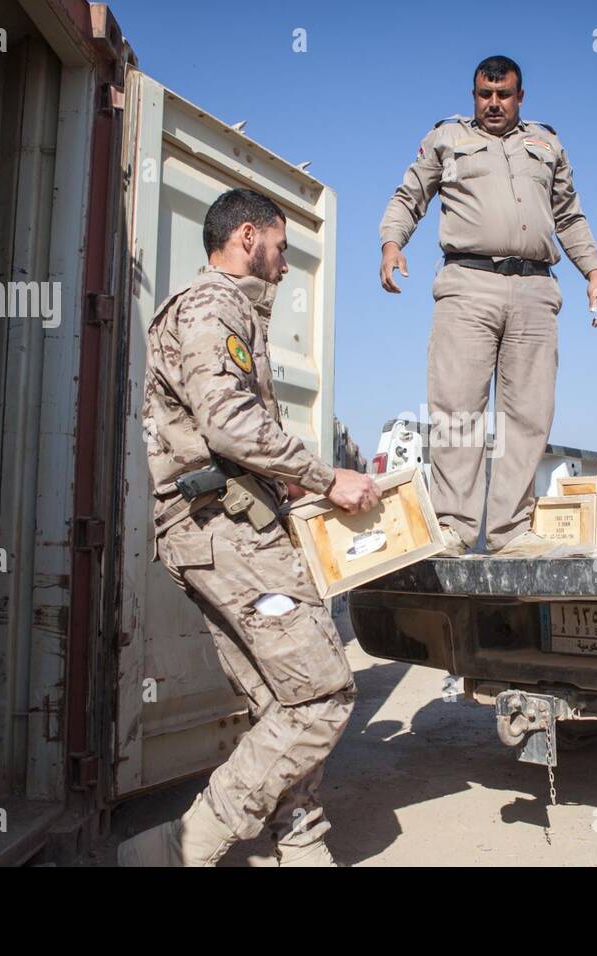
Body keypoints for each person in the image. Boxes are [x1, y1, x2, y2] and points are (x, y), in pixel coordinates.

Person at [119, 187, 380, 867]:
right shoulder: (215, 307)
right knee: (323, 692)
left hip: (212, 533)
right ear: (245, 238)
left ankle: (302, 842)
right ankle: (177, 849)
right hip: (226, 535)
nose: (286, 265)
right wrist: (328, 477)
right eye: (280, 248)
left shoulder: (224, 311)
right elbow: (229, 423)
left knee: (280, 700)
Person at [379, 54, 597, 557]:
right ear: (474, 95)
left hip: (534, 289)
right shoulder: (447, 138)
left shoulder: (547, 145)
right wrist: (392, 243)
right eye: (485, 94)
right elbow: (409, 195)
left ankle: (510, 533)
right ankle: (455, 528)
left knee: (529, 413)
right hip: (467, 284)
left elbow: (569, 216)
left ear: (520, 97)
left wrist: (593, 274)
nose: (495, 104)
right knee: (458, 409)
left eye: (504, 95)